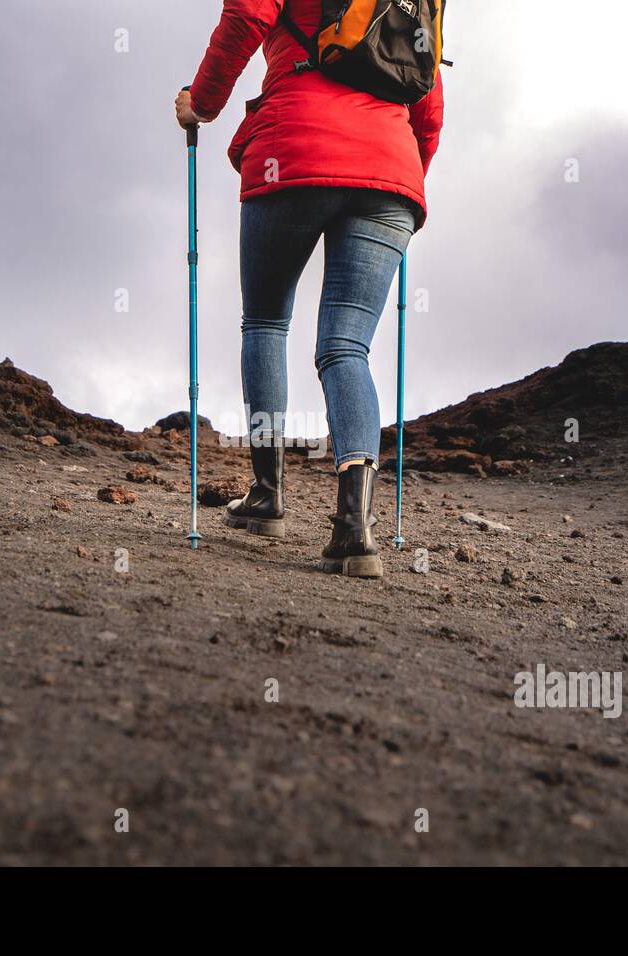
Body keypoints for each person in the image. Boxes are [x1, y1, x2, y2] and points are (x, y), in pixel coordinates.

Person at [175, 0, 445, 578]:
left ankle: (267, 495)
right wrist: (396, 171)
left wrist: (200, 105)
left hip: (293, 150)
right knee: (348, 347)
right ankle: (356, 529)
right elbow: (429, 105)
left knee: (267, 321)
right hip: (392, 171)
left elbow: (246, 17)